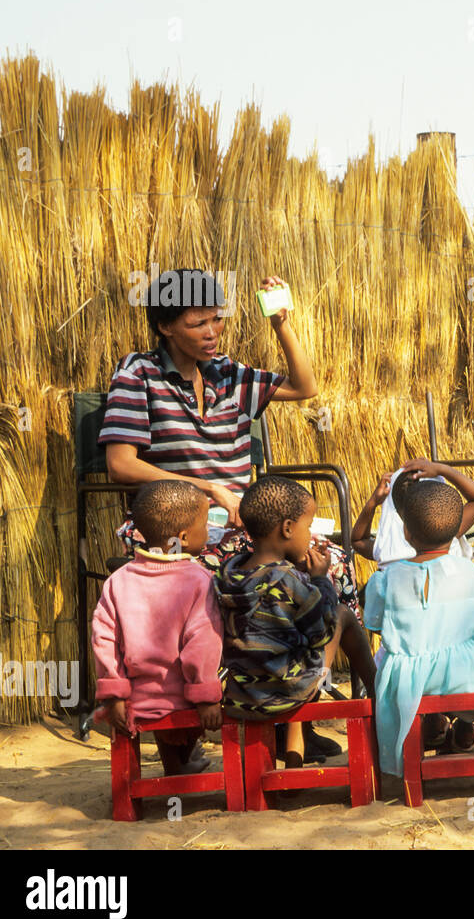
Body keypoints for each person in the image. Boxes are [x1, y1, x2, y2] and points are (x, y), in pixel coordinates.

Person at [99, 269, 350, 761]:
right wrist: (207, 489)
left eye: (217, 321)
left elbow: (306, 387)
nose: (212, 333)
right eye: (199, 324)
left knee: (330, 563)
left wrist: (282, 324)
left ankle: (291, 708)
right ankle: (230, 706)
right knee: (217, 580)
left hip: (244, 525)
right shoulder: (138, 375)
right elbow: (120, 463)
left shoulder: (229, 374)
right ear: (166, 327)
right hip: (175, 529)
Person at [215, 476, 378, 769]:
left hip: (243, 696)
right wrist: (319, 581)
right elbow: (321, 630)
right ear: (288, 528)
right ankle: (380, 700)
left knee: (293, 659)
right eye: (309, 525)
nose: (310, 533)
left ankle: (295, 756)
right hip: (287, 691)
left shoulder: (227, 575)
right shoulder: (288, 580)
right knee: (342, 615)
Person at [365, 475, 474, 776]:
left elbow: (376, 626)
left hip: (408, 686)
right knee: (465, 668)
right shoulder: (470, 572)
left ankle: (433, 722)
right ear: (456, 533)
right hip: (468, 680)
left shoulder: (387, 578)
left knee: (401, 664)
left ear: (406, 532)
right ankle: (464, 723)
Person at [90, 480, 223, 776]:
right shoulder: (199, 580)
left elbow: (103, 639)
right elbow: (202, 645)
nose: (209, 531)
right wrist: (205, 696)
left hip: (133, 702)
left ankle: (177, 765)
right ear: (184, 537)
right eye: (205, 524)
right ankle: (181, 762)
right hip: (184, 700)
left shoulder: (118, 580)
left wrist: (114, 694)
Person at [351, 458, 474, 568]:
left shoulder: (389, 549)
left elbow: (358, 540)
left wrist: (373, 502)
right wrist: (441, 469)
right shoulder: (448, 534)